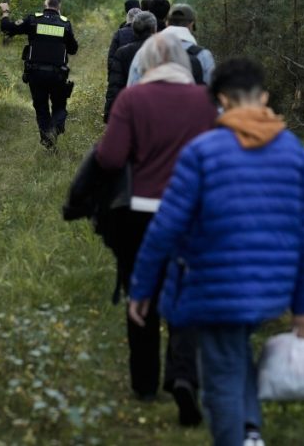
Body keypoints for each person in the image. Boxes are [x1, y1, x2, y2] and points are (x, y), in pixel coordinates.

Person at [128, 58, 304, 446]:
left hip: (213, 289)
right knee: (236, 355)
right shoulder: (293, 151)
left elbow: (166, 226)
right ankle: (250, 431)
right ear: (263, 97)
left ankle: (239, 436)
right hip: (270, 286)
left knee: (220, 381)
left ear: (221, 101)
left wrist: (142, 287)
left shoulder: (202, 151)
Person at [95, 33, 218, 426]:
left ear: (145, 64)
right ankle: (183, 374)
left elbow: (111, 156)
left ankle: (144, 383)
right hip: (192, 214)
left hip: (141, 214)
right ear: (184, 63)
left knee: (141, 289)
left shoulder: (132, 100)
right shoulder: (205, 100)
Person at [0, 0, 79, 150]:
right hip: (57, 74)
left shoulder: (32, 20)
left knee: (41, 107)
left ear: (45, 5)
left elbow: (7, 28)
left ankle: (48, 141)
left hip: (36, 73)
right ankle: (54, 129)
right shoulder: (65, 24)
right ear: (59, 7)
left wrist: (5, 12)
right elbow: (73, 49)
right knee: (59, 107)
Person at [126, 3, 214, 87]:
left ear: (167, 23)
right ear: (191, 24)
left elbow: (133, 85)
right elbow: (212, 94)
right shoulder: (203, 56)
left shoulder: (145, 52)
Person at [105, 11, 156, 122]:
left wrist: (110, 113)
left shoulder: (123, 52)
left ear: (134, 29)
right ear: (154, 29)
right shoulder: (163, 51)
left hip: (130, 110)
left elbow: (115, 85)